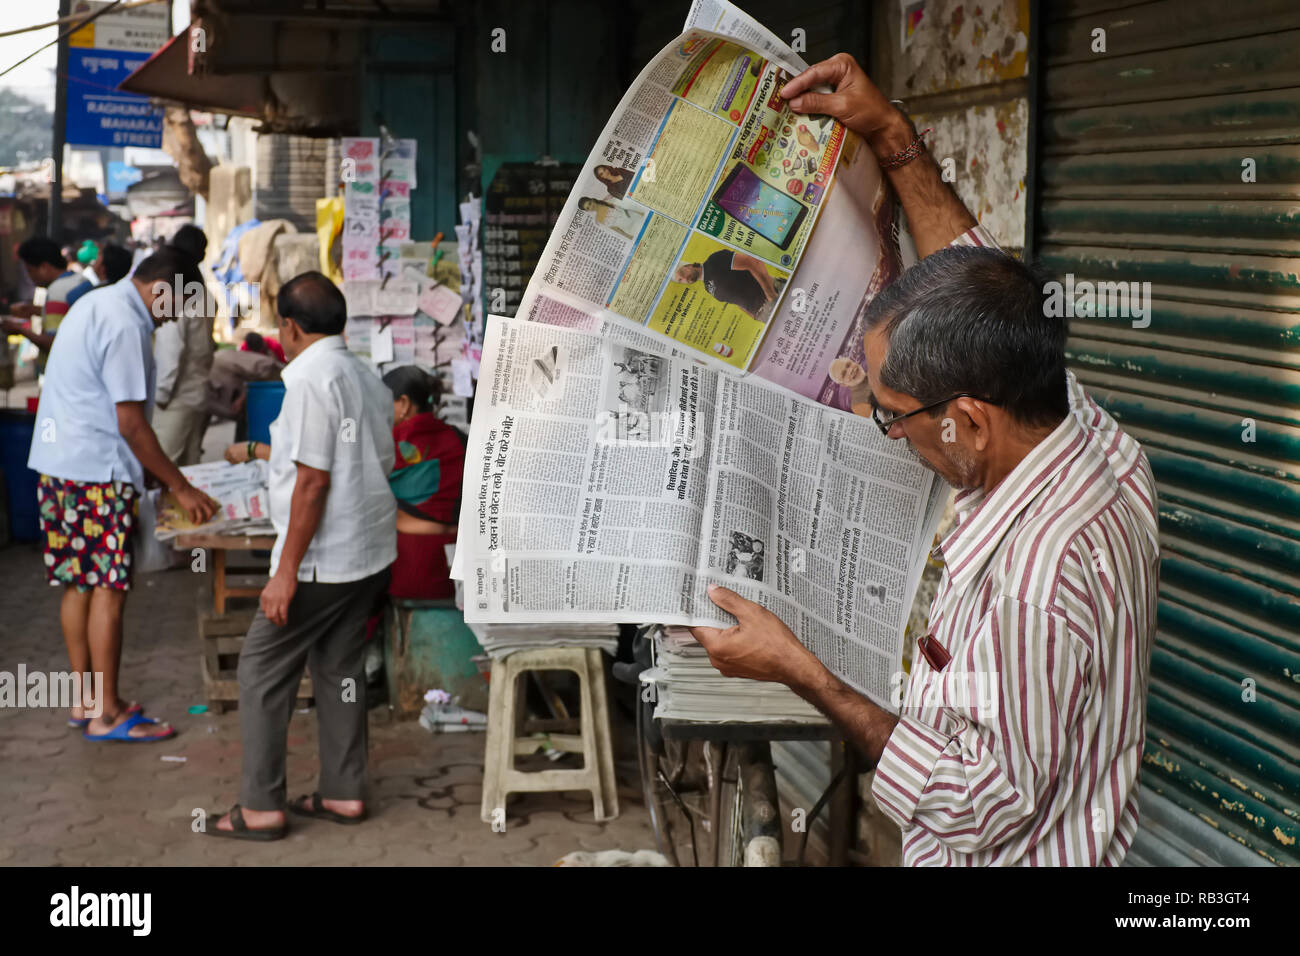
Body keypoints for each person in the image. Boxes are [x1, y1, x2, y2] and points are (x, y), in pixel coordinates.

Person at [687, 52, 1160, 866]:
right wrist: (891, 138)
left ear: (970, 423)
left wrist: (805, 673)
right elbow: (976, 283)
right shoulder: (1091, 441)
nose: (887, 430)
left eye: (894, 417)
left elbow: (978, 809)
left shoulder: (1034, 586)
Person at [209, 272, 396, 840]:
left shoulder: (314, 380)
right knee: (340, 670)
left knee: (261, 671)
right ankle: (343, 793)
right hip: (367, 555)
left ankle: (262, 807)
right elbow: (367, 461)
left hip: (323, 560)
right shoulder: (365, 375)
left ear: (289, 327)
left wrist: (284, 572)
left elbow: (314, 482)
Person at [26, 248, 220, 741]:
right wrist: (180, 484)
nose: (174, 316)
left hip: (60, 469)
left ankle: (86, 700)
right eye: (175, 305)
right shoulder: (126, 324)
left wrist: (152, 472)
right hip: (96, 473)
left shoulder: (96, 303)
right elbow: (131, 424)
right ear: (159, 289)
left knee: (78, 584)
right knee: (110, 589)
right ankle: (107, 714)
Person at [381, 365, 465, 600]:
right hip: (458, 560)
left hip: (410, 559)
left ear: (405, 403)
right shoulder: (458, 438)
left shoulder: (391, 444)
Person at [151, 226, 215, 465]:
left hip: (173, 398)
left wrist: (160, 394)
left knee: (163, 469)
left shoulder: (176, 291)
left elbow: (171, 347)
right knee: (189, 470)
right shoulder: (203, 291)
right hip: (196, 392)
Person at [3, 237, 94, 373]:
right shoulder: (80, 280)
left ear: (45, 267)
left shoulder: (57, 291)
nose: (30, 277)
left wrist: (19, 330)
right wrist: (36, 310)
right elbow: (70, 314)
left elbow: (52, 342)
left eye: (30, 270)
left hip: (65, 372)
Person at [206, 331, 284, 442]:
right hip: (251, 396)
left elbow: (268, 367)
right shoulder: (238, 352)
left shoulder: (273, 347)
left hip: (270, 389)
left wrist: (243, 396)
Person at [671, 250, 785, 321]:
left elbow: (753, 262)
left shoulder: (714, 260)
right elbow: (734, 300)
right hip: (765, 315)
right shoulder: (707, 287)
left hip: (775, 295)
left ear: (689, 265)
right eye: (680, 281)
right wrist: (755, 316)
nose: (685, 279)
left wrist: (771, 296)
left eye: (682, 274)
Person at [577, 196, 643, 240]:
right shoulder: (598, 220)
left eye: (590, 203)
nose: (591, 207)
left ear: (592, 200)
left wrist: (640, 213)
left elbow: (626, 206)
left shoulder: (607, 200)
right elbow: (615, 229)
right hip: (631, 229)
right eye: (588, 208)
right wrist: (628, 236)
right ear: (587, 211)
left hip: (635, 216)